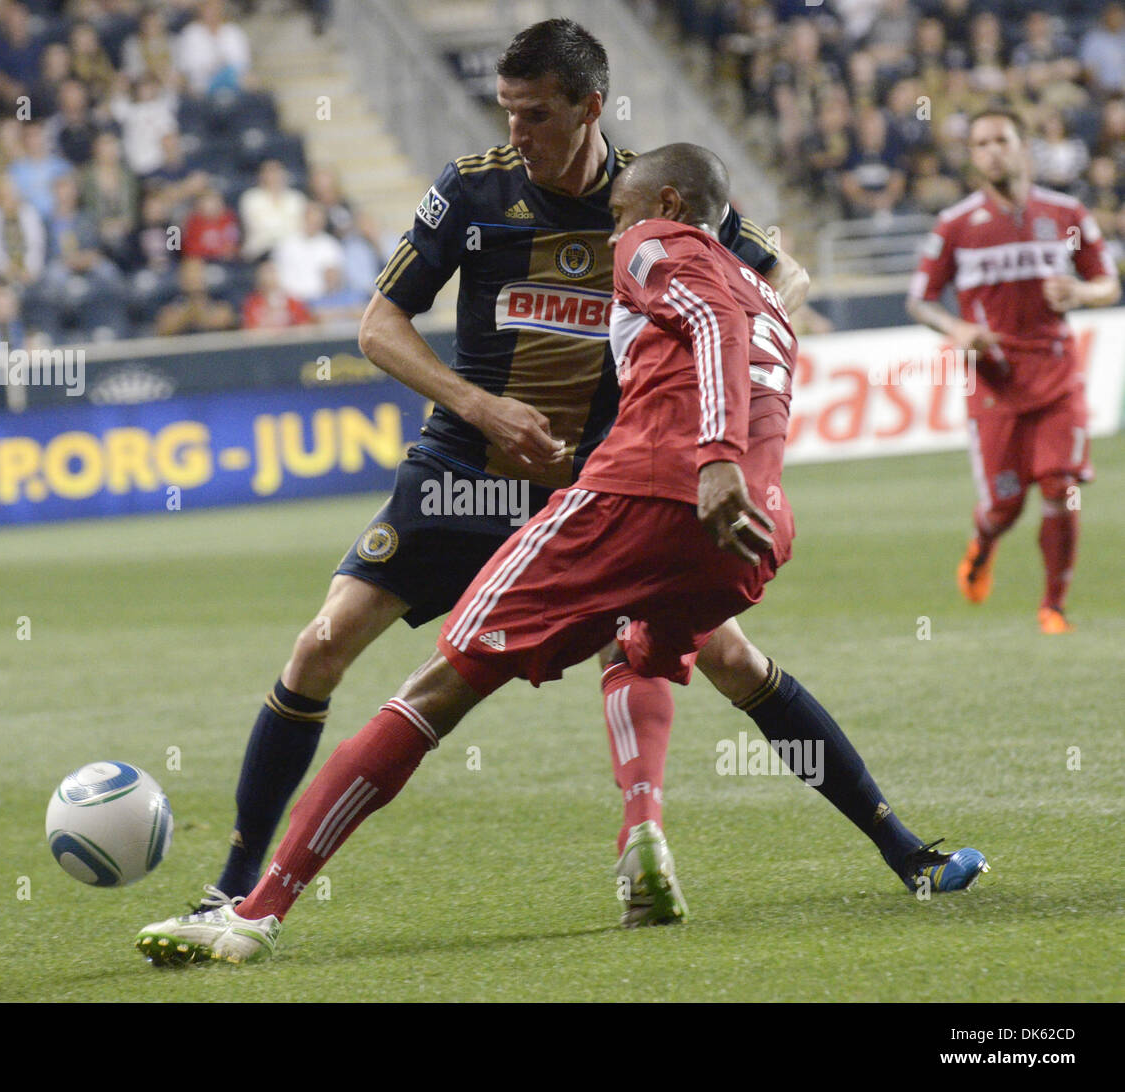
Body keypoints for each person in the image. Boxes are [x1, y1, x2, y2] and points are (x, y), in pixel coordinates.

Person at [135, 19, 970, 953]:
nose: (518, 131)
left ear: (590, 108)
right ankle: (233, 886)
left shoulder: (651, 197)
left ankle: (896, 846)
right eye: (509, 111)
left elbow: (784, 278)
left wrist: (743, 336)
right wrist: (484, 409)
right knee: (324, 641)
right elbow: (379, 326)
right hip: (464, 466)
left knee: (725, 659)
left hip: (596, 481)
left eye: (536, 115)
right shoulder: (473, 188)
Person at [906, 109, 1120, 633]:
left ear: (1023, 146)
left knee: (1059, 486)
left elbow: (1107, 281)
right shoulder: (956, 225)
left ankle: (1054, 605)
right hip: (995, 382)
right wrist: (956, 331)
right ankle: (984, 542)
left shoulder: (1066, 212)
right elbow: (920, 300)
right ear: (974, 157)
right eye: (980, 144)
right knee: (1005, 506)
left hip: (1056, 375)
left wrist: (1082, 292)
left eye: (1001, 140)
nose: (991, 151)